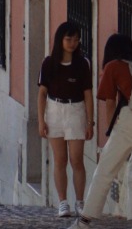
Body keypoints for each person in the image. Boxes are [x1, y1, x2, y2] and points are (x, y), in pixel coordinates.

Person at [59, 33, 132, 229]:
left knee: (104, 172)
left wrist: (111, 131)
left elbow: (110, 101)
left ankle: (83, 225)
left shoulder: (113, 66)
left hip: (131, 119)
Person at [36, 21, 94, 217]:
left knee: (76, 159)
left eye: (76, 40)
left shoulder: (83, 64)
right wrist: (41, 120)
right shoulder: (48, 63)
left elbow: (88, 94)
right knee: (60, 159)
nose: (72, 43)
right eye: (68, 39)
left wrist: (90, 122)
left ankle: (80, 201)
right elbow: (42, 93)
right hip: (54, 110)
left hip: (76, 110)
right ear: (60, 40)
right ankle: (62, 202)